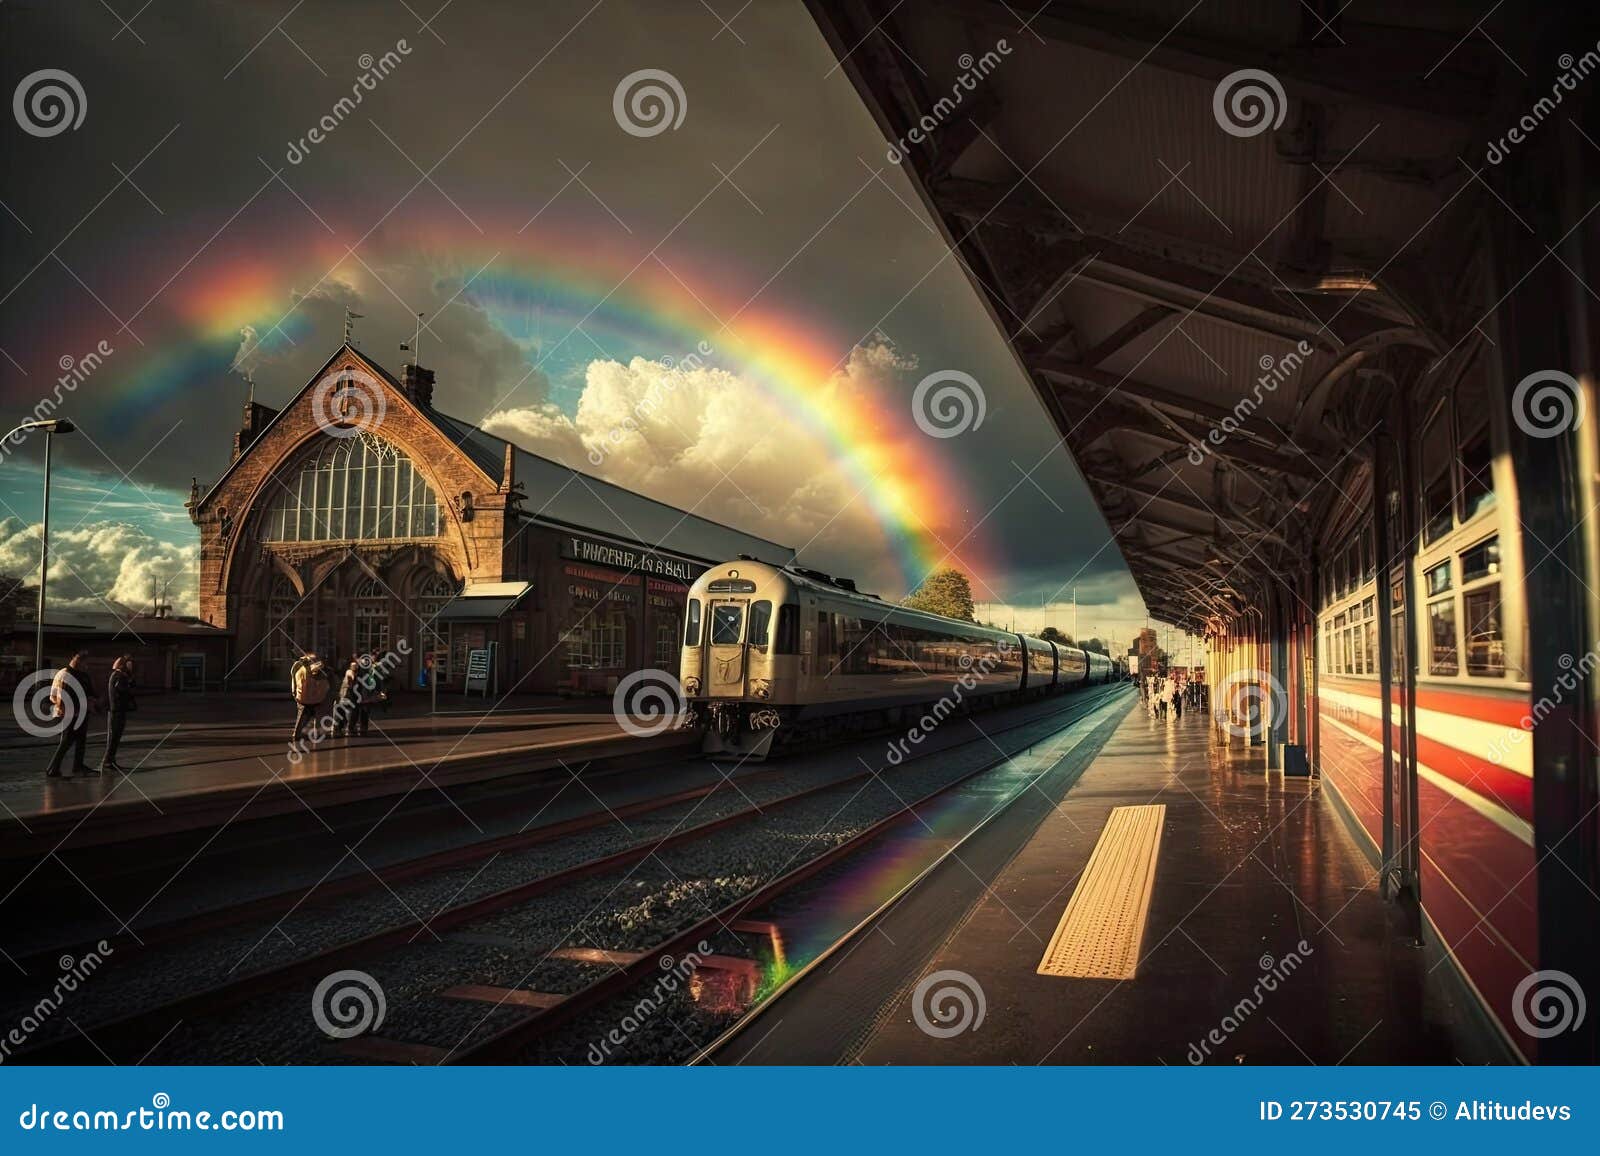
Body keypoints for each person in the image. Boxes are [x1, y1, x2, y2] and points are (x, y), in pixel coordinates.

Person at [44, 652, 98, 779]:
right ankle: (52, 769)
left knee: (80, 740)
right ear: (79, 662)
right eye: (85, 663)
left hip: (81, 712)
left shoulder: (82, 675)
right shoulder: (65, 674)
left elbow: (90, 692)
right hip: (70, 714)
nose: (87, 666)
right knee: (67, 741)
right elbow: (55, 696)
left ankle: (78, 766)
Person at [101, 654, 137, 774]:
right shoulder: (120, 676)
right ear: (124, 665)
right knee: (114, 737)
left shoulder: (118, 675)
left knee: (115, 737)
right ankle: (107, 761)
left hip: (117, 710)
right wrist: (129, 684)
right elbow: (124, 690)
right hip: (117, 711)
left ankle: (110, 760)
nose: (131, 666)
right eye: (129, 664)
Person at [290, 653, 329, 745]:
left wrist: (294, 693)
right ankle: (315, 734)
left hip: (302, 697)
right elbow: (324, 684)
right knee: (316, 716)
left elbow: (295, 683)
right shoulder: (317, 670)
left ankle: (296, 733)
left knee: (301, 717)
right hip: (315, 698)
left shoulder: (298, 669)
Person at [334, 656, 370, 738]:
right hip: (349, 696)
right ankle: (348, 729)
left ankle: (340, 729)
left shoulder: (352, 673)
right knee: (350, 712)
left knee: (342, 712)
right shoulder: (352, 673)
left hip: (344, 696)